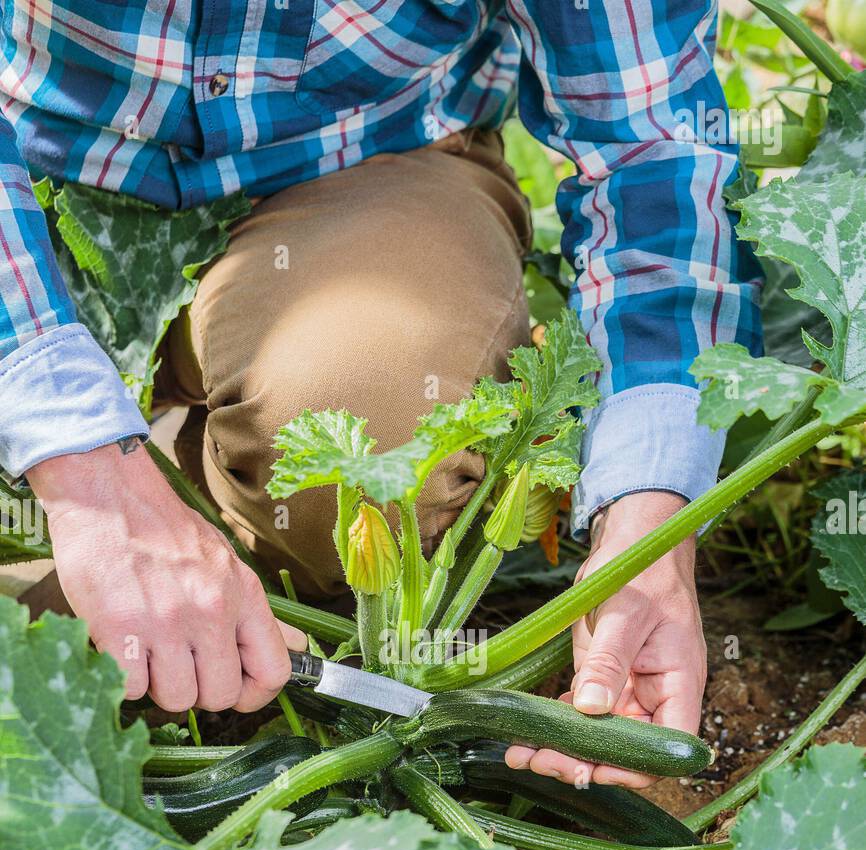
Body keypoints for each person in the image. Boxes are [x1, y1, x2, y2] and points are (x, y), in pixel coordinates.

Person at [0, 1, 760, 788]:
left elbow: (652, 148)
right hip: (33, 192)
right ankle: (137, 521)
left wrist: (647, 538)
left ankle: (159, 525)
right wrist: (92, 485)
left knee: (378, 448)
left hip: (356, 169)